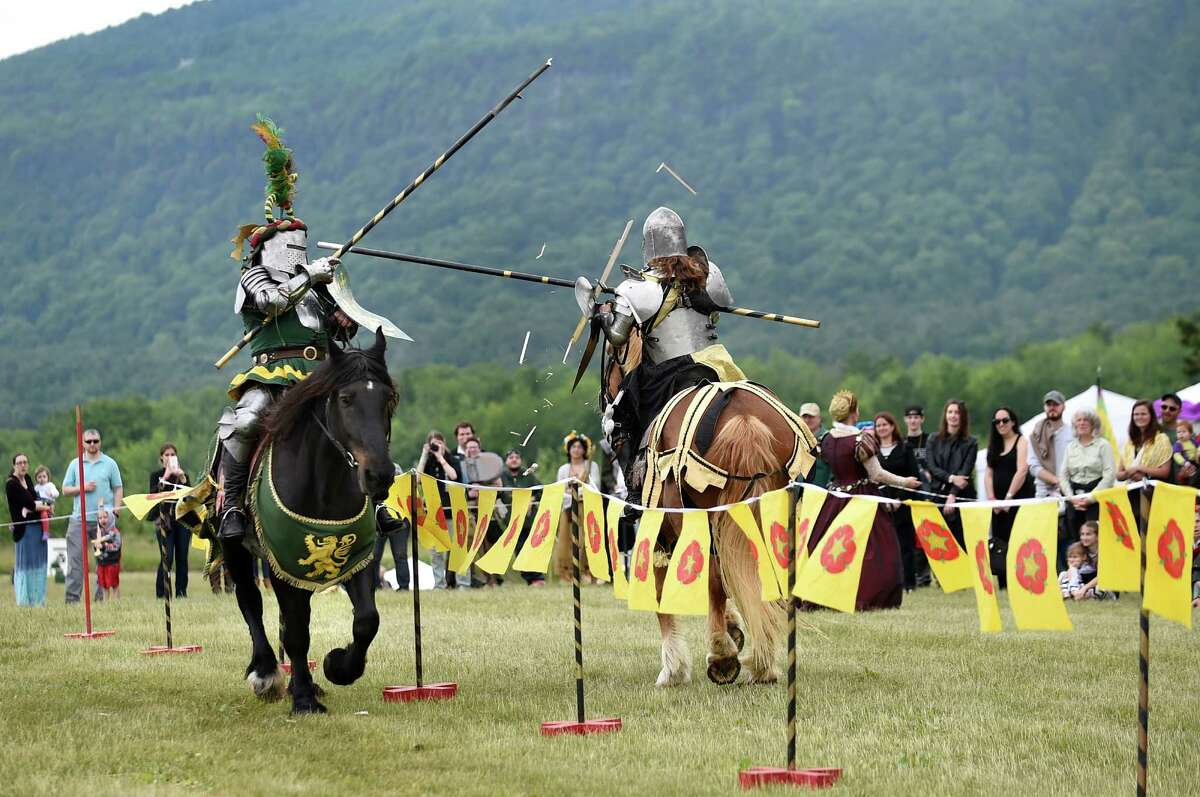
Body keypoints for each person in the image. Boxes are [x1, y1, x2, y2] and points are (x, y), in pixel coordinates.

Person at [214, 115, 356, 543]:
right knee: (245, 421)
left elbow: (337, 329)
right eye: (290, 244)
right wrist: (309, 277)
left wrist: (343, 319)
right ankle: (232, 505)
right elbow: (273, 304)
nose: (298, 250)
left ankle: (378, 498)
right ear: (270, 248)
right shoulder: (254, 276)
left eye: (302, 244)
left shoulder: (316, 286)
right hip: (273, 373)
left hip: (321, 373)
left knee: (363, 409)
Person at [589, 207, 745, 491]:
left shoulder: (638, 288)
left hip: (671, 370)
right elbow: (719, 310)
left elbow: (618, 338)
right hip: (717, 362)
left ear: (648, 246)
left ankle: (635, 491)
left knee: (618, 414)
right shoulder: (706, 275)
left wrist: (600, 316)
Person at [803, 391, 919, 611]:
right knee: (877, 549)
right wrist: (905, 482)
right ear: (854, 413)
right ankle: (866, 596)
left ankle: (829, 593)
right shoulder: (859, 440)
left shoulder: (826, 439)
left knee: (832, 546)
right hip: (862, 497)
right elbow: (877, 474)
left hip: (835, 498)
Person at [61, 428, 123, 604]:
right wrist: (83, 487)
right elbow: (65, 489)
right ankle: (72, 600)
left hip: (104, 522)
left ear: (100, 442)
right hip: (78, 520)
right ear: (83, 443)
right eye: (88, 441)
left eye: (95, 441)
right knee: (75, 562)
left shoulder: (110, 463)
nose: (92, 444)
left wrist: (116, 510)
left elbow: (118, 487)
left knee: (104, 561)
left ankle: (101, 599)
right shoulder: (75, 464)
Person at [984, 406, 1033, 589]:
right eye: (997, 421)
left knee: (1018, 539)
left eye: (1005, 420)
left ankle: (1020, 580)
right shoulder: (994, 445)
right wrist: (992, 498)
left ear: (1013, 422)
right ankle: (1003, 583)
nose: (1001, 424)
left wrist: (1009, 498)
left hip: (1017, 499)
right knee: (999, 540)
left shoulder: (1021, 441)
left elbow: (1022, 470)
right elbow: (988, 473)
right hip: (998, 504)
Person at [873, 411, 920, 591]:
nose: (881, 428)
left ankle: (908, 583)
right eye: (878, 425)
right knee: (884, 546)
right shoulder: (872, 451)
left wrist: (900, 499)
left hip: (903, 504)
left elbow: (914, 477)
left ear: (892, 426)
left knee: (905, 545)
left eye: (885, 424)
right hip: (881, 505)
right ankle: (888, 582)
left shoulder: (905, 448)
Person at [1059, 408, 1115, 546]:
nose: (1082, 423)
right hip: (1074, 499)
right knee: (1076, 540)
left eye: (1086, 420)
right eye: (1079, 420)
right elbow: (1063, 476)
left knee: (1097, 538)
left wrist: (1091, 498)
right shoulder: (1070, 447)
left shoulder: (1103, 445)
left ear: (1093, 424)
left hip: (1097, 497)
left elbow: (1109, 475)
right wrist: (1071, 498)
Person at [926, 399, 977, 545]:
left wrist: (953, 494)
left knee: (963, 542)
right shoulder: (933, 439)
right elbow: (932, 467)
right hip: (938, 496)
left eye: (957, 412)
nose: (953, 415)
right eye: (950, 412)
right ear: (945, 415)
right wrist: (951, 478)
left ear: (963, 416)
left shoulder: (971, 442)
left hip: (962, 497)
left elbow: (965, 471)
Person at [554, 431, 602, 583]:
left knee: (588, 539)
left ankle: (589, 572)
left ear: (584, 449)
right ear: (568, 449)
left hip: (587, 508)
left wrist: (575, 491)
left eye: (579, 447)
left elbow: (595, 487)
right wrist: (574, 493)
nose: (576, 450)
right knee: (567, 540)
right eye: (573, 447)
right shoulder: (563, 469)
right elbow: (559, 490)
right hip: (568, 508)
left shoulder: (592, 466)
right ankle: (568, 573)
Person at [416, 430, 461, 589]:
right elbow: (417, 479)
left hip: (451, 511)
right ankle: (439, 584)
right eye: (433, 444)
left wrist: (441, 457)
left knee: (455, 549)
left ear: (444, 443)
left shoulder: (452, 459)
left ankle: (460, 583)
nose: (436, 446)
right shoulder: (427, 462)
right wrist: (424, 455)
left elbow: (454, 476)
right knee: (436, 552)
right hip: (433, 513)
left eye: (439, 443)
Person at [149, 442, 192, 599]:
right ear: (161, 457)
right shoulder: (155, 475)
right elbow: (152, 495)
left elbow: (189, 497)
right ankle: (162, 593)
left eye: (172, 454)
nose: (169, 457)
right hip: (164, 521)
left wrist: (182, 477)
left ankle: (181, 592)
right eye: (166, 455)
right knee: (167, 557)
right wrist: (165, 477)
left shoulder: (183, 475)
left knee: (182, 558)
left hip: (182, 521)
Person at [8, 453, 52, 607]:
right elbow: (30, 504)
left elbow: (35, 498)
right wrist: (48, 506)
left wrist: (43, 506)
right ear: (14, 465)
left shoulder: (27, 478)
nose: (23, 465)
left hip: (38, 528)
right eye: (19, 463)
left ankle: (38, 601)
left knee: (39, 564)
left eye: (25, 462)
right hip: (23, 530)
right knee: (25, 566)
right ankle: (24, 602)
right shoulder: (11, 484)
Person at [501, 448, 545, 586]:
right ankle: (529, 578)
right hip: (513, 520)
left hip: (530, 519)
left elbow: (541, 490)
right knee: (519, 548)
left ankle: (537, 577)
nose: (514, 459)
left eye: (517, 457)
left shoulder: (528, 474)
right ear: (506, 461)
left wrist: (532, 498)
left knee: (533, 547)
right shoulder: (501, 477)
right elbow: (498, 494)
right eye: (511, 457)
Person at [902, 405, 932, 586]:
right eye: (910, 417)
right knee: (910, 534)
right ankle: (915, 572)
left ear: (922, 419)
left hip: (928, 492)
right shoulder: (902, 442)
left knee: (928, 533)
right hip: (909, 492)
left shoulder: (930, 440)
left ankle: (926, 572)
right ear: (905, 420)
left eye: (916, 417)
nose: (913, 420)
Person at [1117, 400, 1172, 484]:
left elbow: (1165, 472)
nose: (1139, 417)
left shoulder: (1162, 440)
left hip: (1153, 488)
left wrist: (1141, 469)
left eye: (1143, 414)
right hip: (1130, 488)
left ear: (1151, 416)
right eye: (1136, 414)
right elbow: (1118, 475)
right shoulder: (1130, 443)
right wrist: (1130, 473)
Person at [92, 505, 122, 600]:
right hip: (102, 563)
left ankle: (116, 601)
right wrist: (96, 546)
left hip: (112, 562)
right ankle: (106, 601)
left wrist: (105, 546)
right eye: (100, 518)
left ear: (111, 517)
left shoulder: (115, 532)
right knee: (104, 584)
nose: (103, 520)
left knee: (114, 583)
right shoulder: (100, 532)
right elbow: (97, 546)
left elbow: (116, 546)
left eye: (105, 517)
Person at [800, 403, 830, 488]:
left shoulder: (828, 439)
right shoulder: (796, 438)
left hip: (821, 490)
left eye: (811, 417)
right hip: (799, 489)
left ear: (819, 418)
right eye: (804, 417)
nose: (807, 420)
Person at [32, 465, 58, 538]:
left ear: (47, 477)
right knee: (41, 513)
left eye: (44, 476)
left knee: (44, 513)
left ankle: (46, 532)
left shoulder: (50, 485)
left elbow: (57, 493)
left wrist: (51, 493)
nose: (42, 479)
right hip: (40, 504)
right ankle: (16, 524)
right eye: (39, 477)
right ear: (36, 478)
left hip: (48, 503)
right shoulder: (36, 487)